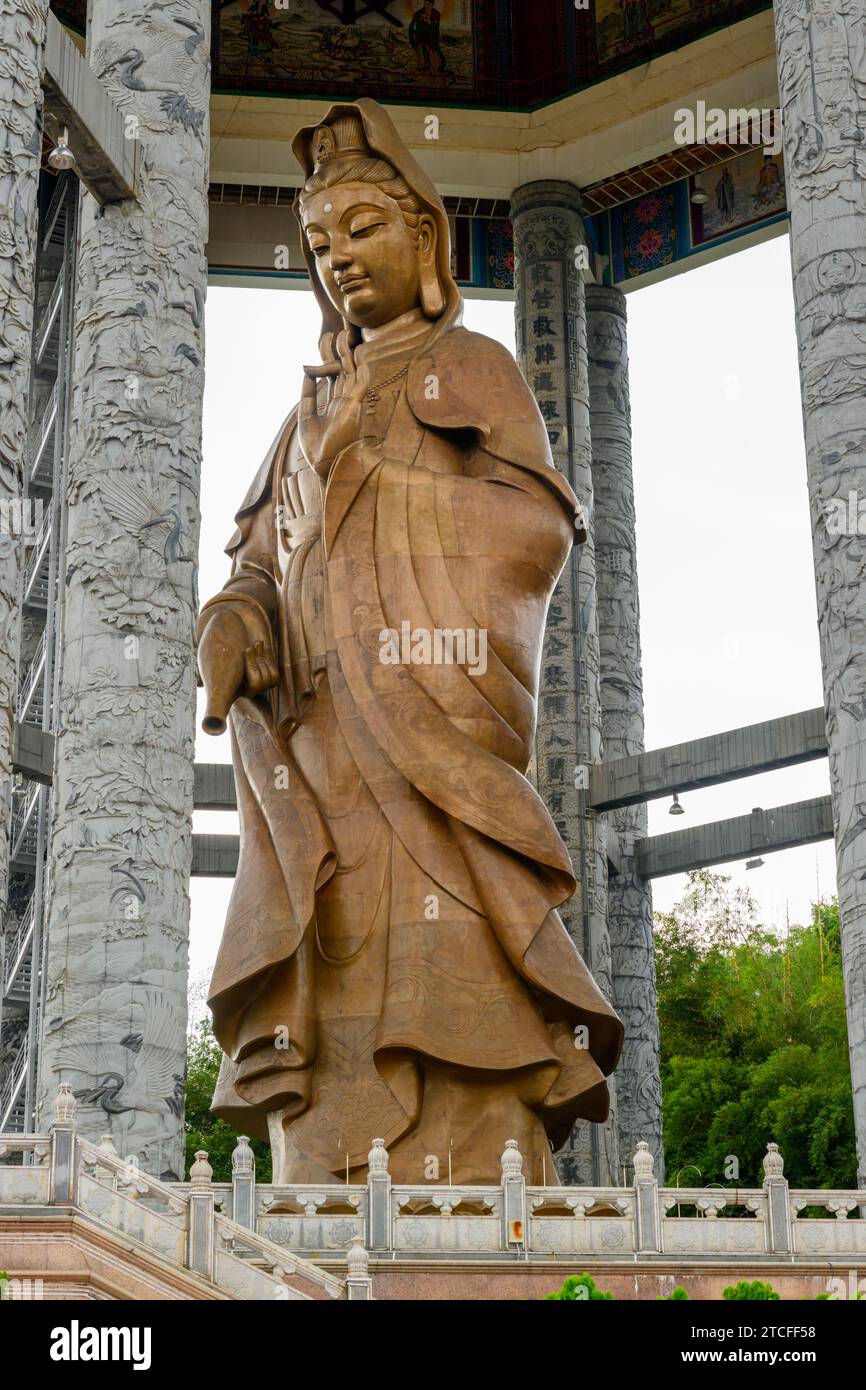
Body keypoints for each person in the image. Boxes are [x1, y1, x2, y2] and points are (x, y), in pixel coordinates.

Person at [197, 99, 622, 1185]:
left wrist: (374, 483)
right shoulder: (304, 414)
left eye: (363, 230)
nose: (339, 259)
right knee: (329, 952)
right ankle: (325, 1175)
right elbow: (256, 559)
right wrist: (237, 621)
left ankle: (473, 1172)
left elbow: (532, 527)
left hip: (427, 733)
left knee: (448, 957)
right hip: (324, 744)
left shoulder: (468, 367)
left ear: (424, 240)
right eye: (320, 243)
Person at [408, 0, 448, 74]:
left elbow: (436, 28)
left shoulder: (436, 14)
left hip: (430, 37)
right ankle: (422, 67)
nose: (426, 6)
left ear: (432, 5)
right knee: (421, 50)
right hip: (420, 36)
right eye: (425, 4)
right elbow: (413, 25)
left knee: (431, 51)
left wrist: (430, 23)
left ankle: (434, 68)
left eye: (428, 4)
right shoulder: (419, 13)